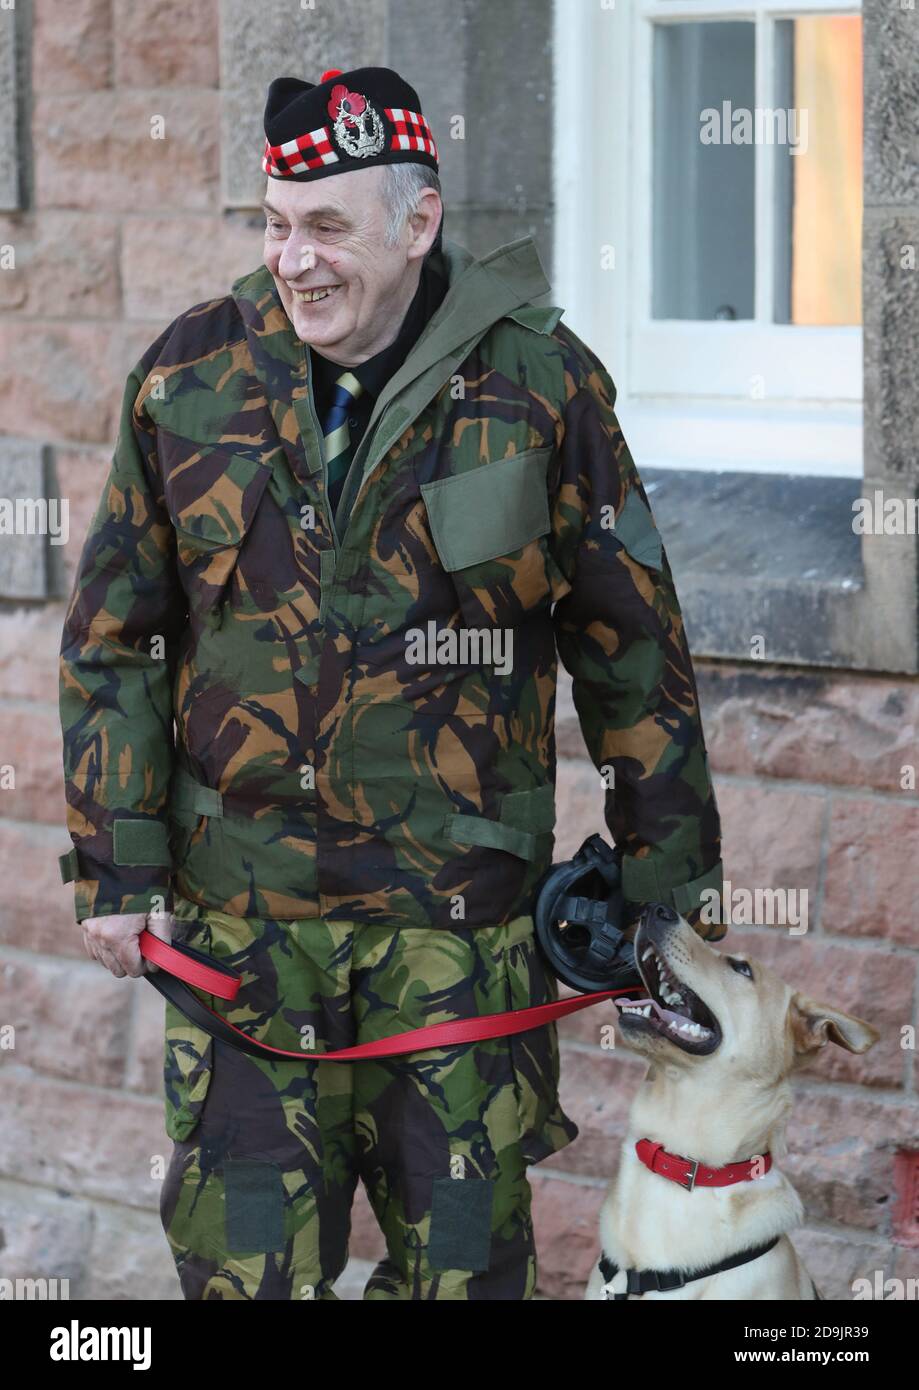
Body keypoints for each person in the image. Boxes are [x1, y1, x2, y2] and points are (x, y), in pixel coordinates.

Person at [58, 66, 723, 1300]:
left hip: (456, 939)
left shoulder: (539, 385)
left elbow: (635, 649)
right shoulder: (188, 378)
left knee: (465, 1280)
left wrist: (668, 897)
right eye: (273, 224)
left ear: (417, 224)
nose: (293, 261)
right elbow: (117, 634)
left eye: (326, 229)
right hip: (244, 936)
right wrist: (116, 859)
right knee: (244, 1279)